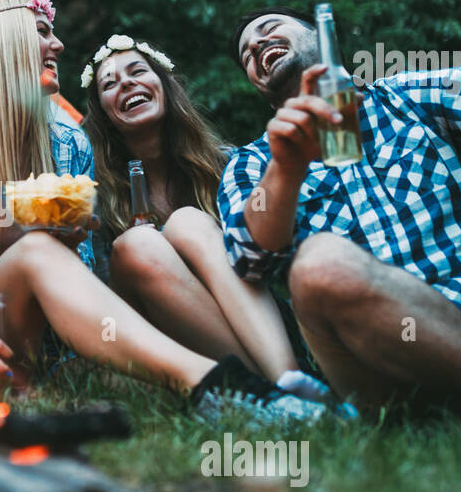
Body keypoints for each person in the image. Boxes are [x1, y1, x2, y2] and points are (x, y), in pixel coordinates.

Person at [0, 0, 344, 421]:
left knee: (68, 248)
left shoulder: (68, 146)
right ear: (6, 43)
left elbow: (86, 279)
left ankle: (273, 391)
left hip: (44, 352)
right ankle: (222, 386)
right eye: (42, 31)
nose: (59, 43)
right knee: (38, 251)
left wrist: (68, 241)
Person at [226, 5, 461, 443]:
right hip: (380, 370)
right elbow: (247, 259)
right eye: (246, 54)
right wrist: (287, 167)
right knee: (318, 264)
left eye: (269, 28)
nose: (256, 44)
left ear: (320, 34)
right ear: (256, 83)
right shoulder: (255, 163)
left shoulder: (410, 95)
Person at [80, 33, 330, 401]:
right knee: (138, 243)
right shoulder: (92, 192)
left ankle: (284, 387)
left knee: (188, 221)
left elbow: (270, 256)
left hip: (256, 329)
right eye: (109, 84)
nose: (127, 83)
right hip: (148, 340)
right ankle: (278, 391)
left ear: (163, 86)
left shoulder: (227, 164)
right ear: (103, 112)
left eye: (137, 71)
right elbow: (99, 303)